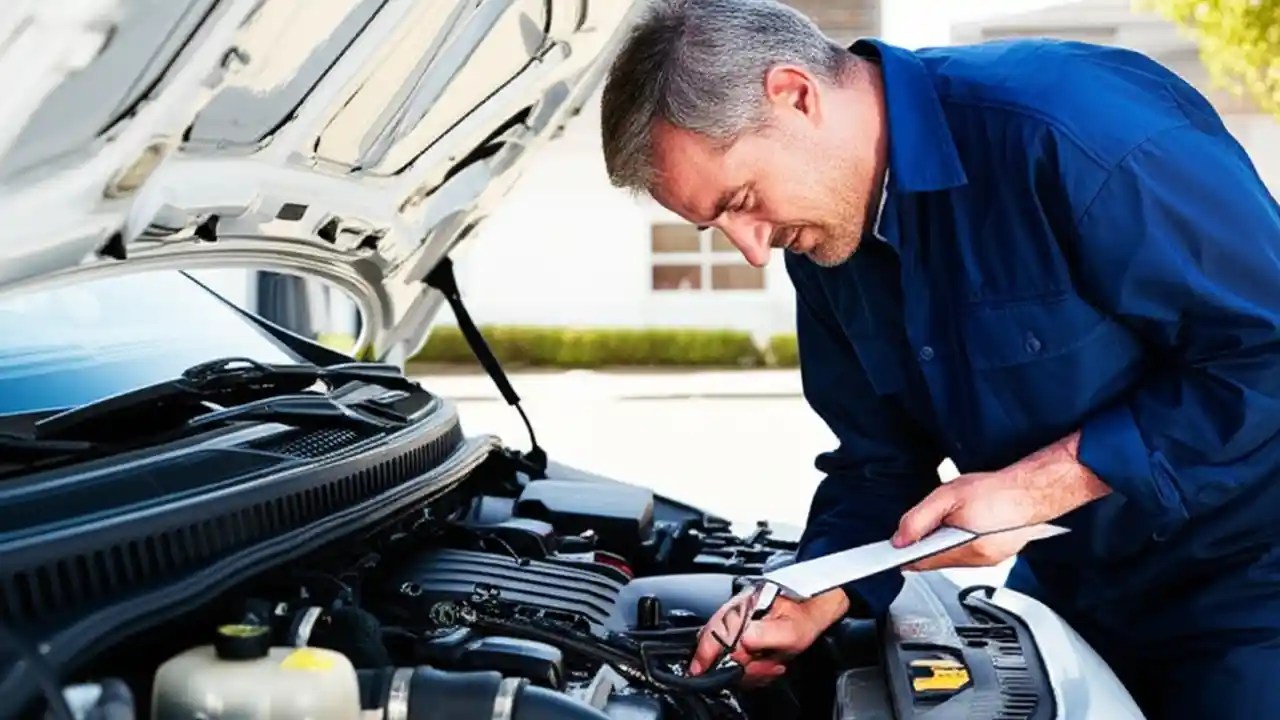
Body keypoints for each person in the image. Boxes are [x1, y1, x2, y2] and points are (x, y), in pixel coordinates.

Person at [597, 1, 1280, 718]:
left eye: (743, 200)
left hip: (1251, 591)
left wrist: (1046, 484)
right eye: (718, 225)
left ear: (796, 95)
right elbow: (879, 464)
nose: (752, 247)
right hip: (1081, 593)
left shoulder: (1073, 133)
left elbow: (1265, 348)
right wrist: (813, 592)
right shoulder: (826, 242)